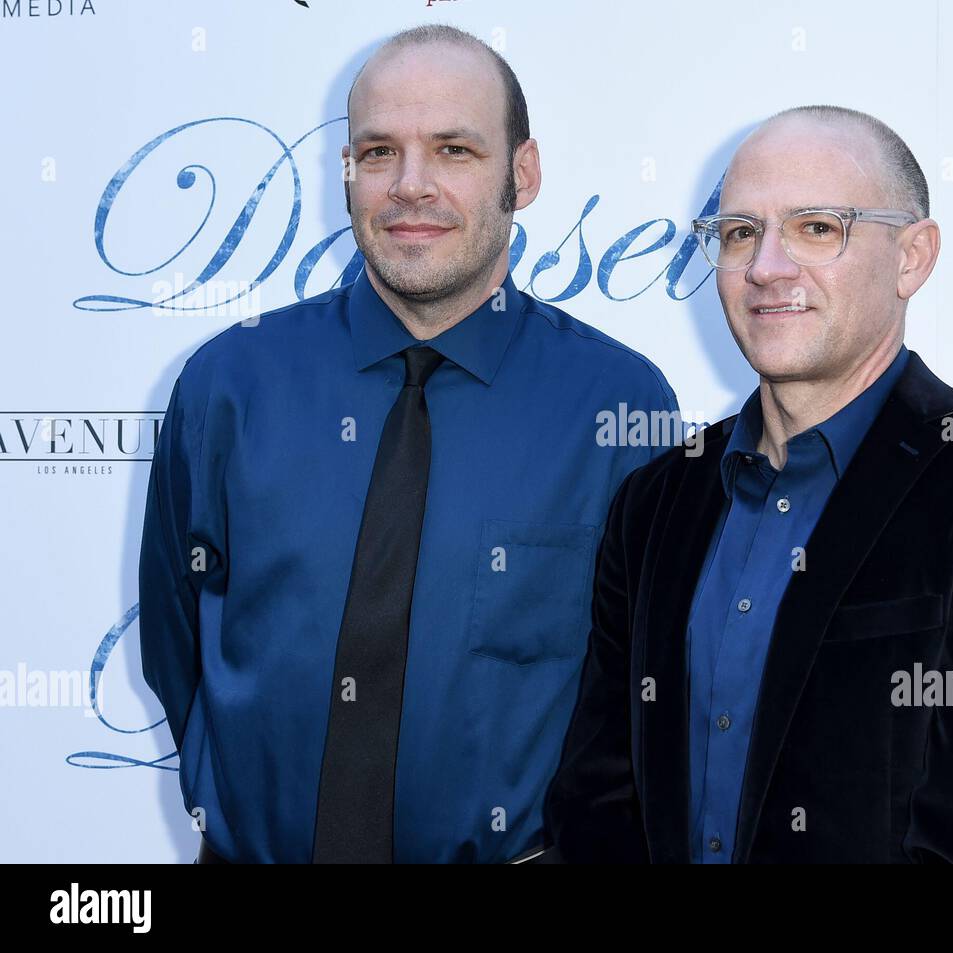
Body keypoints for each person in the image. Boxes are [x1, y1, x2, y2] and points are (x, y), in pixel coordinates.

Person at [139, 24, 677, 864]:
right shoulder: (229, 383)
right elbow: (177, 643)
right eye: (379, 151)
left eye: (455, 150)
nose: (410, 186)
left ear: (522, 174)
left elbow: (642, 694)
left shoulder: (621, 406)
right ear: (347, 169)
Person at [544, 105, 953, 863]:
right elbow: (598, 803)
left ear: (913, 256)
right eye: (740, 233)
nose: (766, 267)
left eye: (817, 227)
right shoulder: (655, 501)